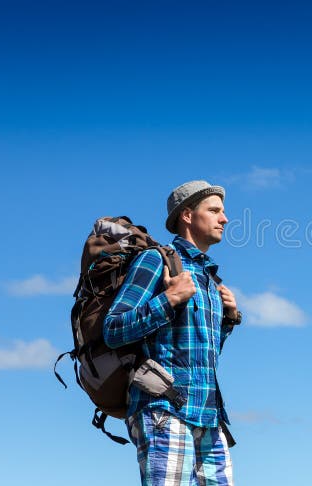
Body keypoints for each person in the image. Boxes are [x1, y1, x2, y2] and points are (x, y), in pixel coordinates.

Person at [104, 180, 241, 486]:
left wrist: (227, 321)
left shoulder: (207, 277)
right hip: (165, 412)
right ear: (188, 216)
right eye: (215, 210)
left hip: (209, 417)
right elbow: (113, 329)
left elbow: (202, 354)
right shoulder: (157, 261)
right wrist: (168, 300)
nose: (225, 219)